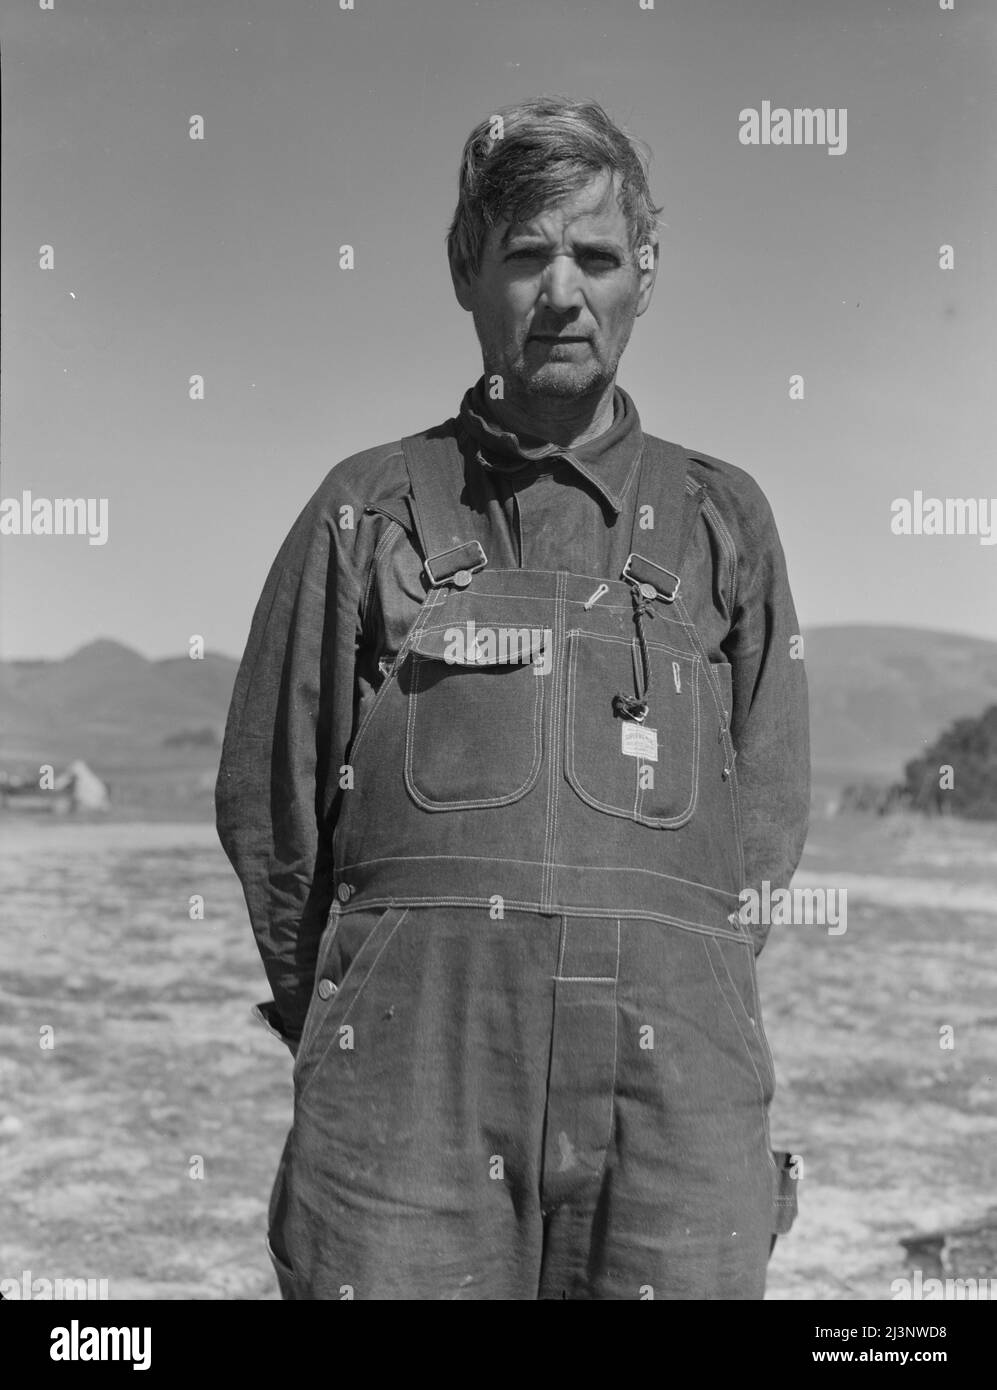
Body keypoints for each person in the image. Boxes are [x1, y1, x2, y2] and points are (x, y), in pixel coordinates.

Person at [215, 95, 810, 1301]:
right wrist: (350, 1014)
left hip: (671, 1114)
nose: (562, 292)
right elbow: (274, 814)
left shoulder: (721, 518)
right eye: (526, 255)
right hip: (408, 1098)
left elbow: (761, 833)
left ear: (644, 275)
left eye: (595, 256)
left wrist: (659, 987)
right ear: (464, 273)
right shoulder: (365, 508)